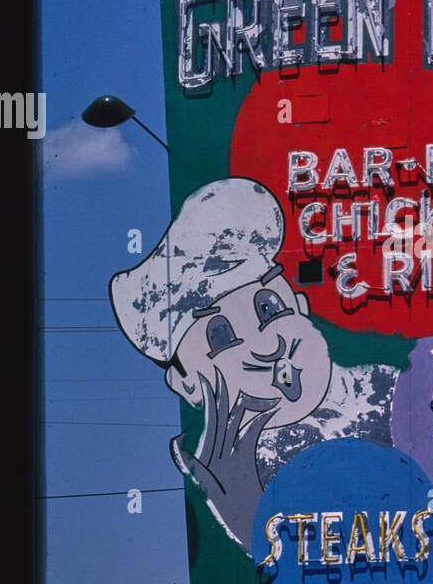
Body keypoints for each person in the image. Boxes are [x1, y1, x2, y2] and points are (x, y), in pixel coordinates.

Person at [110, 177, 332, 550]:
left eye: (269, 308)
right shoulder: (222, 482)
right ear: (185, 383)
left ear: (301, 307)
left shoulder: (384, 394)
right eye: (221, 336)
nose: (267, 346)